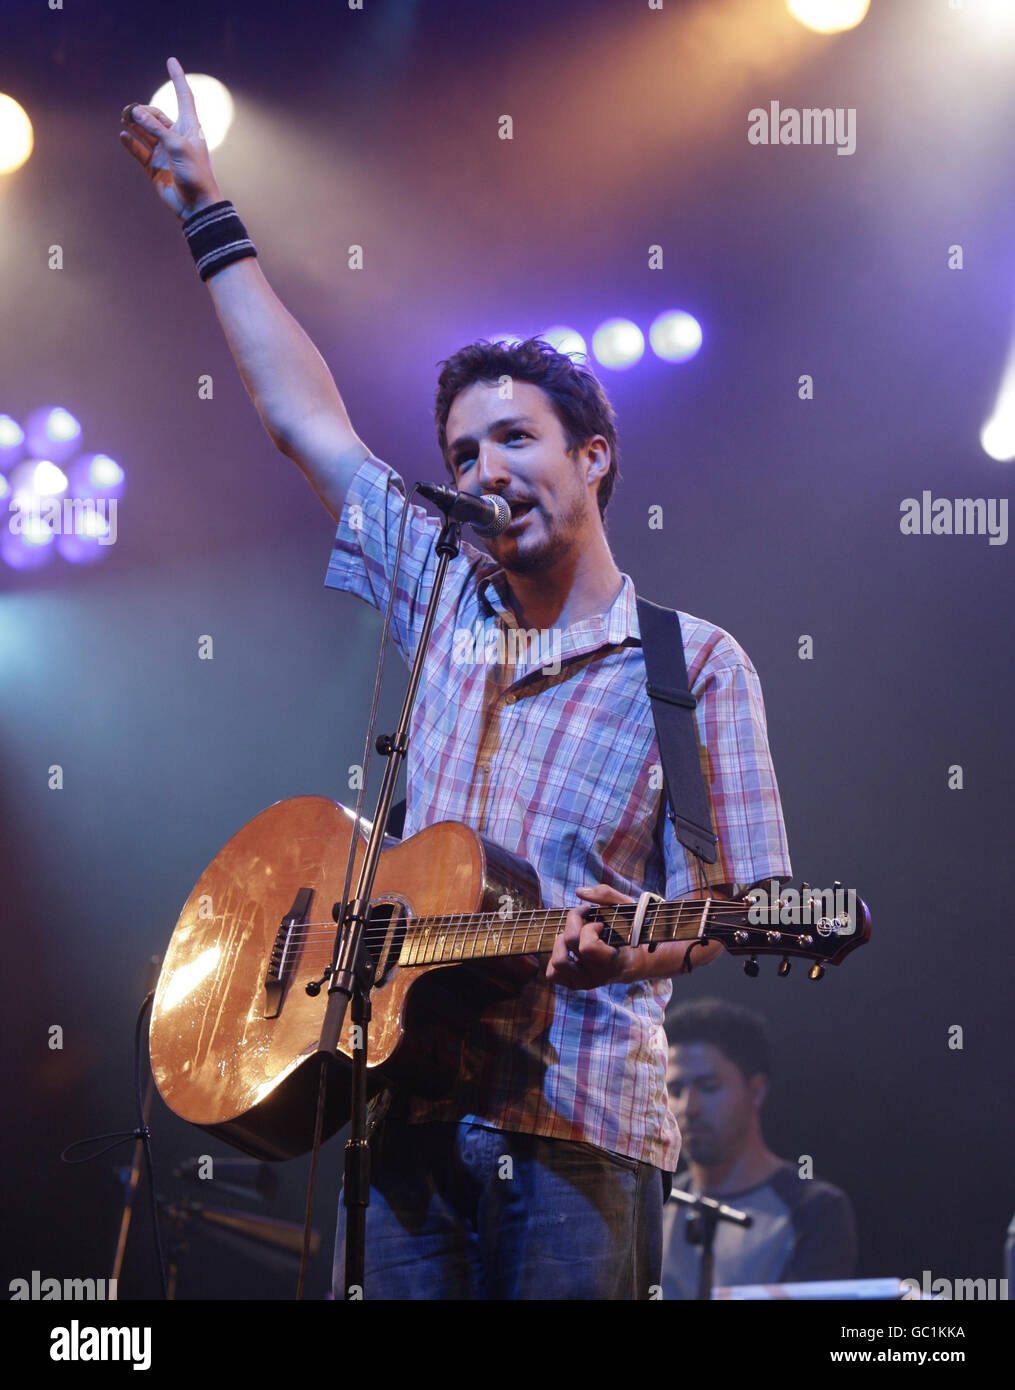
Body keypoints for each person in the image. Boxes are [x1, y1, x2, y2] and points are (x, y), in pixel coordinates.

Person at [121, 58, 792, 1300]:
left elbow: (734, 901)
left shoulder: (692, 664)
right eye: (461, 450)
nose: (484, 467)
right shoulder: (439, 588)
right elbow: (300, 417)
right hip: (400, 1118)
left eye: (516, 439)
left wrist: (626, 954)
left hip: (580, 1131)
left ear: (593, 457)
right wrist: (208, 216)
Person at [662, 998, 857, 1298]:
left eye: (709, 1087)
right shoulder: (656, 1207)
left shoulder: (813, 1209)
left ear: (756, 1091)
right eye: (675, 1090)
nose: (689, 1107)